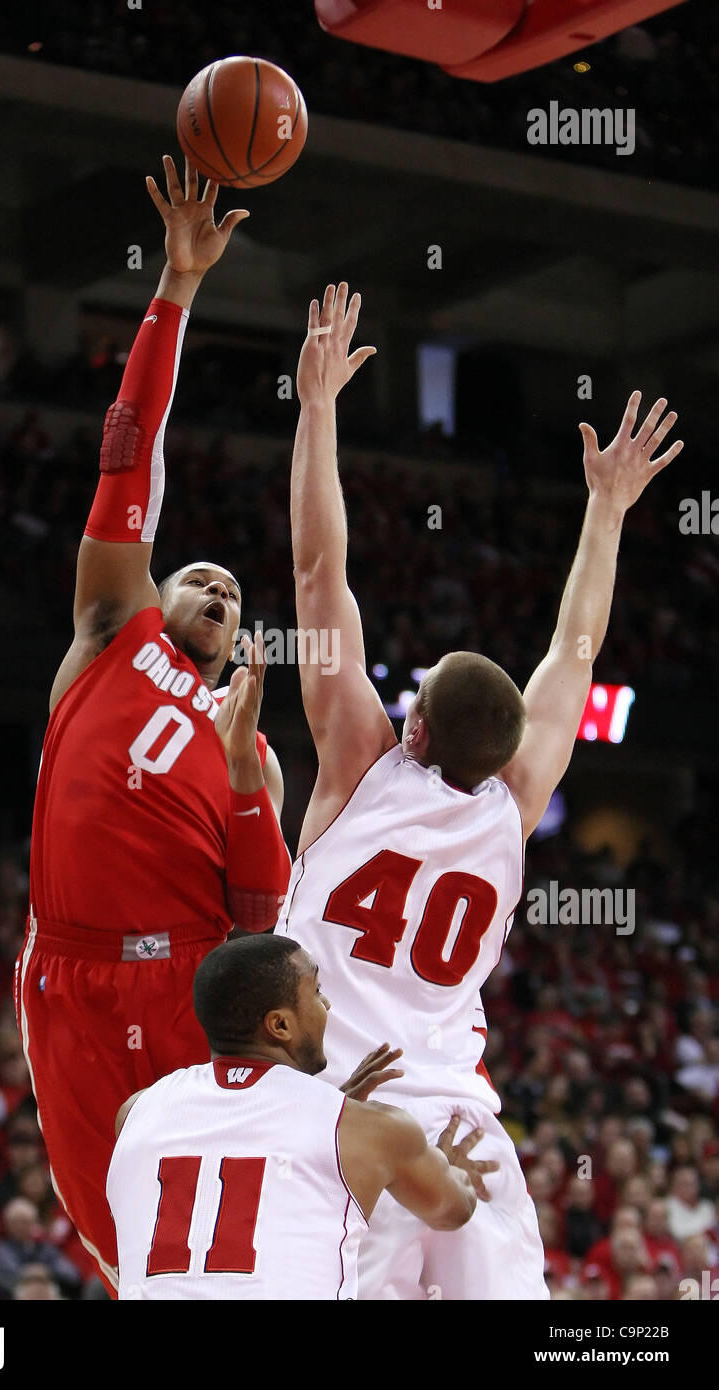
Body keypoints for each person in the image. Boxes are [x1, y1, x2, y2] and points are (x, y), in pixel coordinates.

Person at [276, 280, 683, 1299]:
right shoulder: (518, 796)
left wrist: (318, 408)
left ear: (411, 719)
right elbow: (576, 646)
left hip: (346, 1115)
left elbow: (318, 572)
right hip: (462, 1122)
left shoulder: (359, 762)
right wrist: (604, 508)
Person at [16, 156, 291, 1293]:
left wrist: (239, 778)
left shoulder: (254, 743)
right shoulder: (107, 633)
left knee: (193, 1261)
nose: (219, 592)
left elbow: (258, 914)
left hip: (188, 982)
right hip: (68, 975)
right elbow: (128, 450)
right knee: (117, 1250)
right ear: (151, 592)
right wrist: (175, 287)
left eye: (234, 595)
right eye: (200, 575)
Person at [107, 935, 488, 1300]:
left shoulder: (136, 1111)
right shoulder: (371, 1130)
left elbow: (230, 1149)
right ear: (280, 1025)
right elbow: (452, 1209)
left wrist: (330, 1109)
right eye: (317, 991)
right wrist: (455, 1171)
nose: (327, 1006)